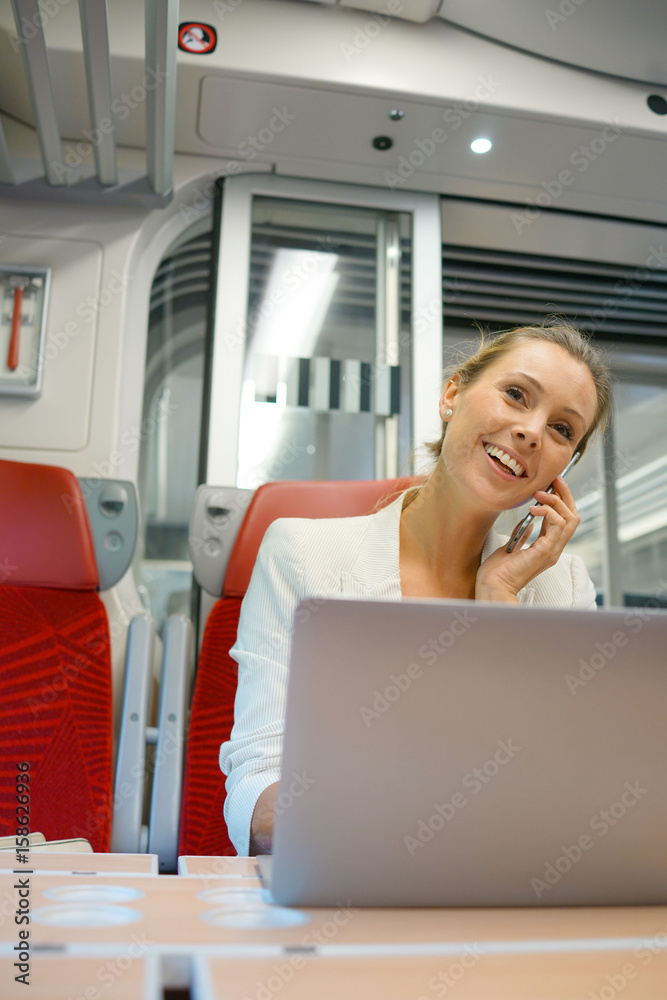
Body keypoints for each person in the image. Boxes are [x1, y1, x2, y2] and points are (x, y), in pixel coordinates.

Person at [220, 322, 613, 855]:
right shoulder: (304, 555)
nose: (532, 432)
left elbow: (564, 793)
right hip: (343, 878)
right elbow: (259, 784)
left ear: (563, 468)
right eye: (516, 395)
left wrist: (498, 602)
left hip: (499, 887)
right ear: (452, 394)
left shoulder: (562, 587)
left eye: (563, 430)